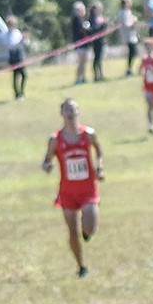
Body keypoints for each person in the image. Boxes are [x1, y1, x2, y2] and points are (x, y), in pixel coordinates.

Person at [41, 99, 103, 278]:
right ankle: (81, 266)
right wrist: (46, 166)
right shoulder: (55, 139)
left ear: (78, 112)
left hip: (88, 190)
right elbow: (47, 160)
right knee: (72, 232)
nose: (71, 113)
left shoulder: (88, 134)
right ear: (62, 113)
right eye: (67, 110)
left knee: (90, 227)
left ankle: (86, 231)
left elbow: (99, 151)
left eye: (74, 109)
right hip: (68, 192)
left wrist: (100, 166)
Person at [5, 16, 28, 101]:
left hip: (20, 56)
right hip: (13, 57)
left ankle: (21, 92)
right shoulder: (7, 35)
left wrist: (25, 40)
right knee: (16, 75)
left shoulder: (17, 32)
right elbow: (12, 46)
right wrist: (20, 42)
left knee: (24, 75)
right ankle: (17, 94)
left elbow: (24, 44)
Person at [69, 2, 93, 85]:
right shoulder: (76, 20)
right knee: (80, 62)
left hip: (85, 44)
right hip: (80, 44)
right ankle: (78, 79)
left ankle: (83, 77)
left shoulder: (83, 19)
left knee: (84, 61)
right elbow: (81, 30)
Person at [116, 0, 139, 76]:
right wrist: (134, 21)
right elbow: (127, 24)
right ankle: (128, 69)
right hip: (127, 36)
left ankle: (129, 69)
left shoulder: (128, 11)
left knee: (133, 53)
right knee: (132, 52)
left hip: (132, 35)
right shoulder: (122, 12)